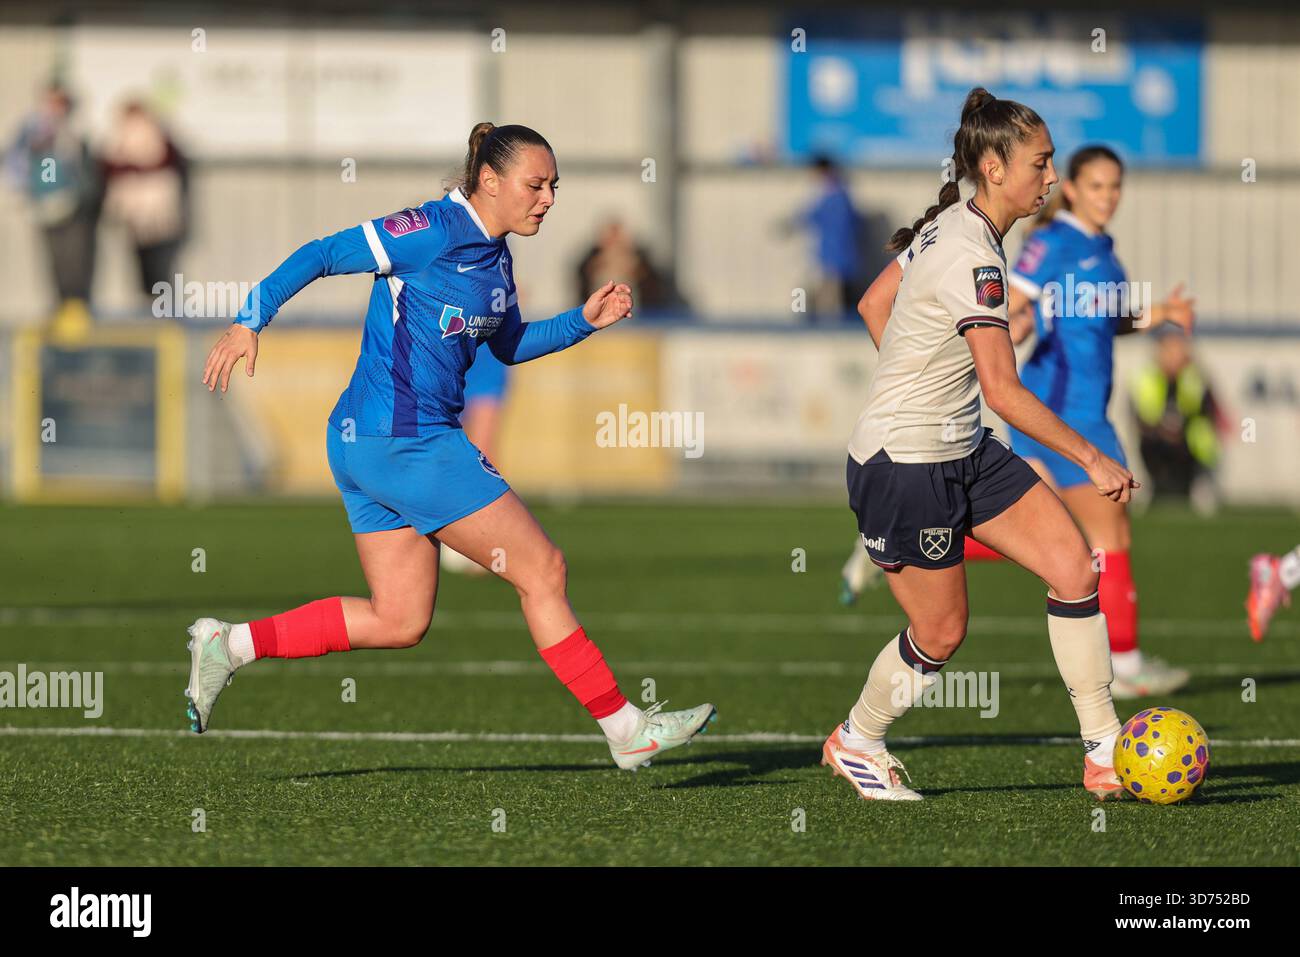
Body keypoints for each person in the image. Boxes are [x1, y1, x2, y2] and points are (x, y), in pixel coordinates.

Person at [187, 123, 715, 769]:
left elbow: (510, 344)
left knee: (399, 619)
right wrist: (249, 319)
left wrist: (584, 319)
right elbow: (322, 252)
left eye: (554, 186)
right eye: (536, 184)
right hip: (406, 441)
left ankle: (230, 644)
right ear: (489, 181)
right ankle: (623, 725)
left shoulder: (497, 255)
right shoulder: (431, 230)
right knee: (542, 570)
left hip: (372, 444)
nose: (548, 198)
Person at [824, 88, 1136, 801]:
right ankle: (857, 738)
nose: (1050, 178)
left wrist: (917, 380)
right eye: (1042, 163)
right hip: (904, 465)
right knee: (941, 632)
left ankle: (1104, 750)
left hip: (963, 447)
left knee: (1072, 566)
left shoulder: (957, 225)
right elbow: (1004, 390)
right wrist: (1090, 456)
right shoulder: (973, 254)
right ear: (994, 167)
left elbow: (877, 306)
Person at [4, 82, 101, 331]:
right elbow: (14, 161)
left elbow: (85, 169)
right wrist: (26, 190)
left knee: (76, 259)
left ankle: (77, 310)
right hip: (45, 208)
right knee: (55, 260)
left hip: (73, 207)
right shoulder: (31, 131)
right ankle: (60, 311)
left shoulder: (78, 130)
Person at [100, 100, 189, 302]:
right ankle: (151, 303)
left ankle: (162, 304)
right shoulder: (117, 141)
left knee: (160, 263)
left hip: (158, 213)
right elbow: (110, 169)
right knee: (142, 264)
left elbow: (169, 164)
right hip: (135, 215)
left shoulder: (159, 138)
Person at [1131, 326, 1223, 509]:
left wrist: (1180, 426)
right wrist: (1162, 428)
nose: (1174, 354)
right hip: (1157, 437)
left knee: (1201, 436)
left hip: (1189, 440)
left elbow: (1205, 410)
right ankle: (1146, 484)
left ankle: (1201, 482)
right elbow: (1141, 413)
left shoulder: (1195, 375)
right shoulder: (1147, 375)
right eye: (1169, 348)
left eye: (1178, 348)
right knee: (1143, 440)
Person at [795, 155, 862, 322]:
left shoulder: (836, 196)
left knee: (831, 308)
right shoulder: (829, 194)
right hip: (827, 260)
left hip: (833, 263)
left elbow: (839, 231)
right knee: (811, 300)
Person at [1246, 547, 1300, 641]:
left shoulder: (1262, 603)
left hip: (1281, 573)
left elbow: (1271, 578)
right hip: (1282, 575)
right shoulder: (1262, 604)